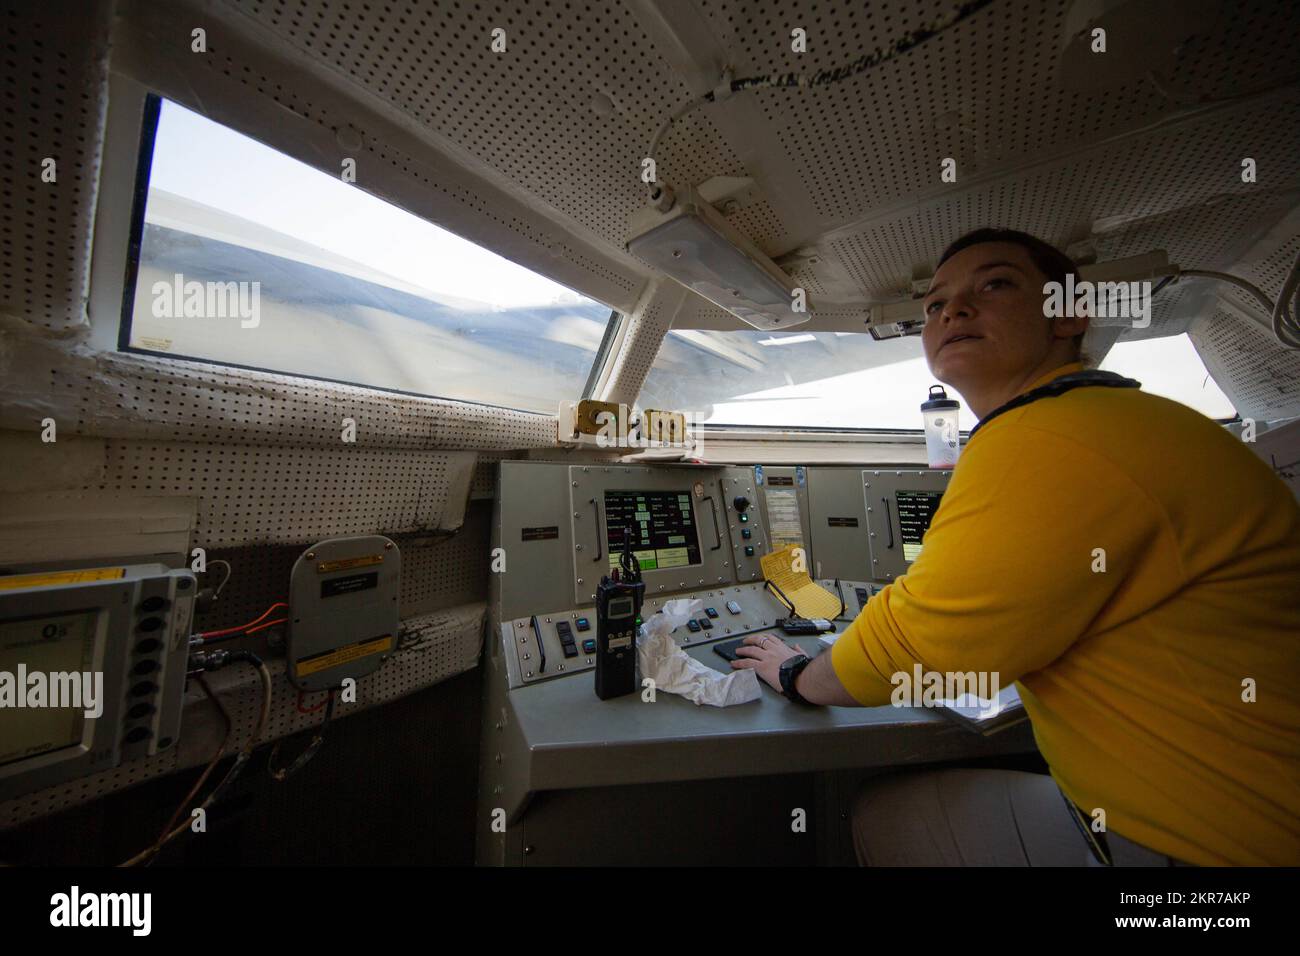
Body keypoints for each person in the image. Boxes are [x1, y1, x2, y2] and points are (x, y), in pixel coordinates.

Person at [731, 228, 1300, 866]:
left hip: (1214, 853)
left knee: (877, 816)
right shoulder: (1129, 422)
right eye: (936, 305)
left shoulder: (1047, 437)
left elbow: (915, 647)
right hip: (1216, 817)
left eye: (995, 284)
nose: (954, 311)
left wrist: (796, 673)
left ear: (1069, 313)